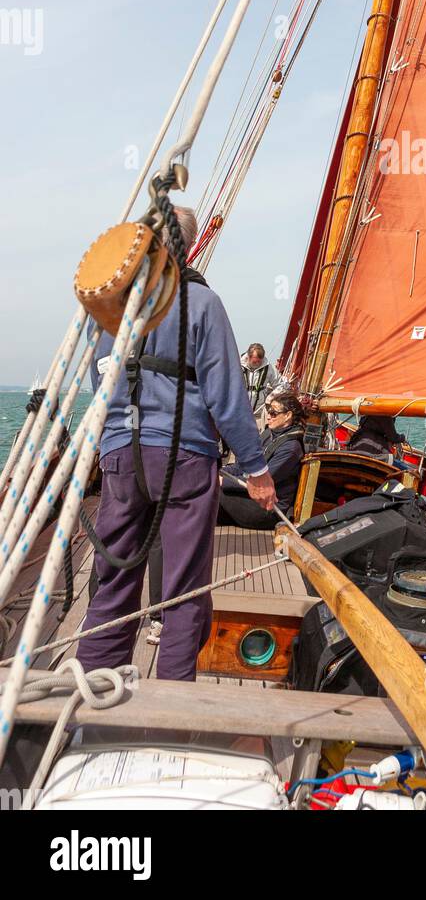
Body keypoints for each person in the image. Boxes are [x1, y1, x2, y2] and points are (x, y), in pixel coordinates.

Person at [77, 207, 276, 682]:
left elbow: (98, 385)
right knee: (183, 591)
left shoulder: (107, 307)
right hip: (185, 458)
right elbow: (228, 398)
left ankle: (88, 694)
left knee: (114, 582)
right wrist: (257, 470)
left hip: (122, 457)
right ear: (188, 246)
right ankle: (170, 705)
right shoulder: (202, 303)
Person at [219, 392, 307, 528]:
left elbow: (262, 482)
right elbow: (244, 465)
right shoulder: (269, 434)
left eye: (273, 413)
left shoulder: (291, 449)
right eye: (268, 411)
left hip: (268, 509)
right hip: (251, 496)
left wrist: (222, 482)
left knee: (210, 492)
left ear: (288, 416)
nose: (269, 417)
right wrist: (219, 472)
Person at [241, 343, 278, 418]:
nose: (257, 364)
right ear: (248, 357)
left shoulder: (268, 368)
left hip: (259, 414)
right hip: (239, 412)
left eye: (259, 362)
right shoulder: (237, 365)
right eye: (254, 362)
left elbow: (282, 385)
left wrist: (271, 396)